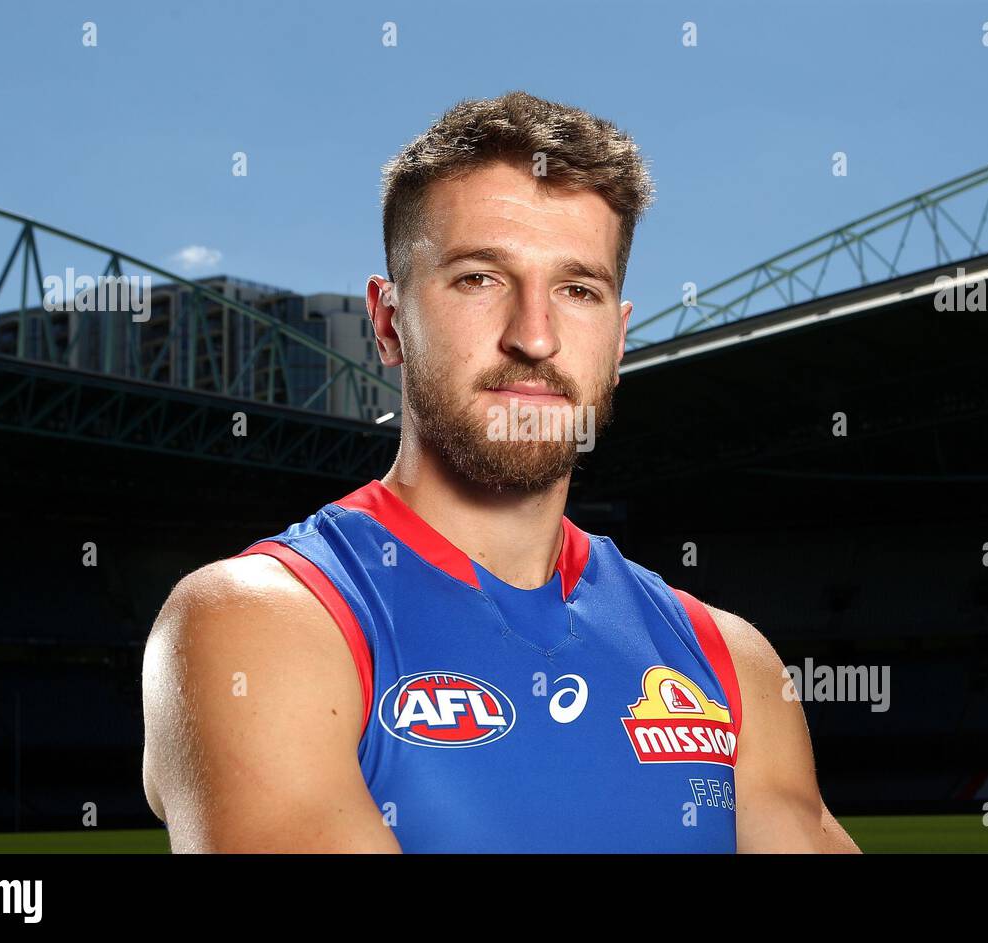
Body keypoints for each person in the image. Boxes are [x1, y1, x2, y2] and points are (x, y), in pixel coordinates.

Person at [142, 90, 859, 853]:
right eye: (480, 278)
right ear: (389, 323)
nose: (535, 336)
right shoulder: (258, 625)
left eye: (577, 289)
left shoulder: (729, 662)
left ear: (617, 343)